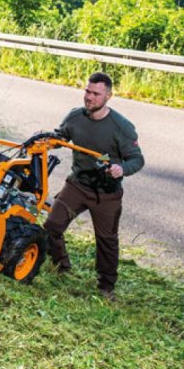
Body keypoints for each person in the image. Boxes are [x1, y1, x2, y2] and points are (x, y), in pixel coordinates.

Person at [41, 72, 144, 300]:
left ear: (108, 96)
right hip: (78, 185)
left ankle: (106, 287)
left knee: (106, 241)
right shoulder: (75, 117)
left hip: (106, 194)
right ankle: (62, 266)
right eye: (87, 91)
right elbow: (60, 137)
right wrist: (48, 142)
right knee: (52, 226)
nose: (89, 97)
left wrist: (121, 170)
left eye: (96, 94)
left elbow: (137, 159)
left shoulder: (121, 127)